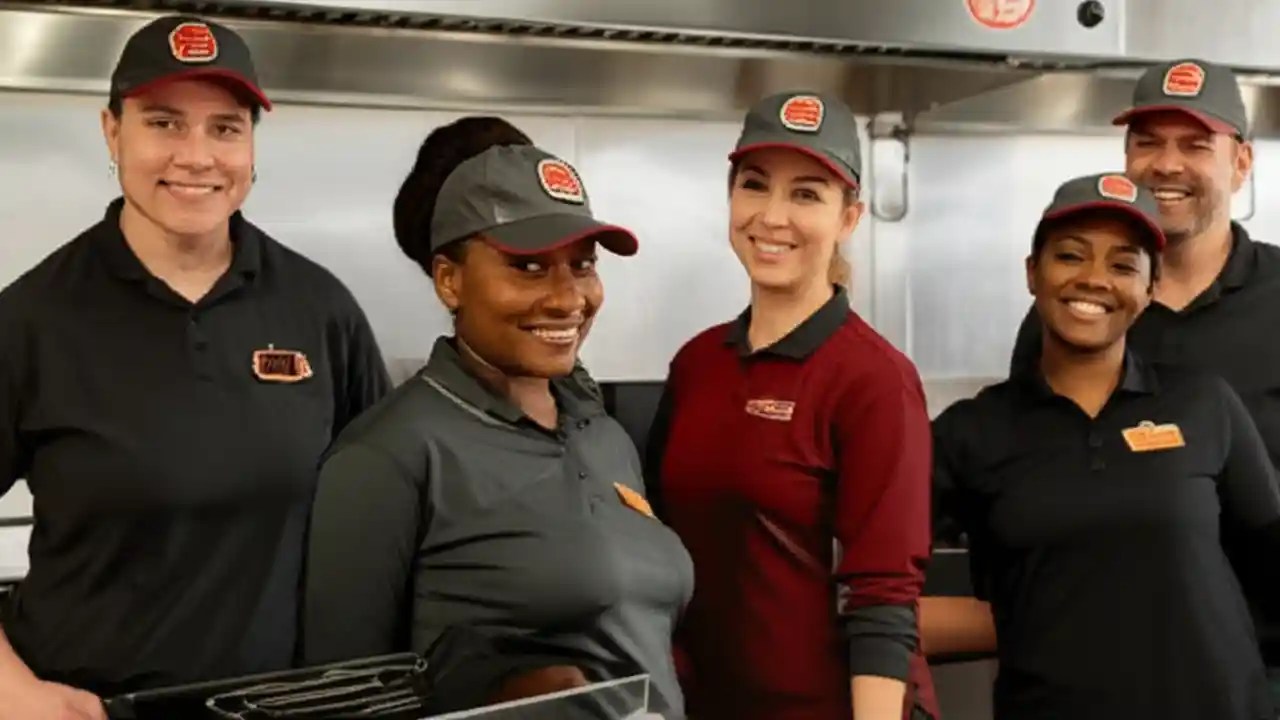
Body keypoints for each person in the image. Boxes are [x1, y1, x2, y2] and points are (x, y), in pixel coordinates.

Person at [0, 15, 390, 719]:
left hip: (283, 706)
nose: (197, 156)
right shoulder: (31, 319)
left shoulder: (319, 308)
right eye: (164, 122)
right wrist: (15, 693)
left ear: (251, 145)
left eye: (225, 128)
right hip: (93, 705)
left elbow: (389, 519)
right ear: (112, 132)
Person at [299, 117, 694, 719]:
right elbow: (342, 698)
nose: (567, 298)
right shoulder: (389, 455)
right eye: (529, 267)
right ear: (449, 280)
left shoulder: (603, 434)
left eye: (582, 264)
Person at [929, 172, 1280, 719]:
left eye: (1123, 265)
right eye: (1070, 256)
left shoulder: (1203, 405)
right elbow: (876, 581)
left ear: (1148, 288)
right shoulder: (971, 432)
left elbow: (1272, 559)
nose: (1095, 279)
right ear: (1032, 272)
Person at [643, 91, 938, 720]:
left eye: (806, 194)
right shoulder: (696, 365)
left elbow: (883, 594)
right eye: (755, 185)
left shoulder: (875, 380)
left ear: (849, 218)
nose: (772, 216)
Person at [1007, 58, 1280, 703]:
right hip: (1101, 670)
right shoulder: (1079, 310)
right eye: (1147, 142)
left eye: (1194, 145)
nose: (1167, 164)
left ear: (1241, 164)